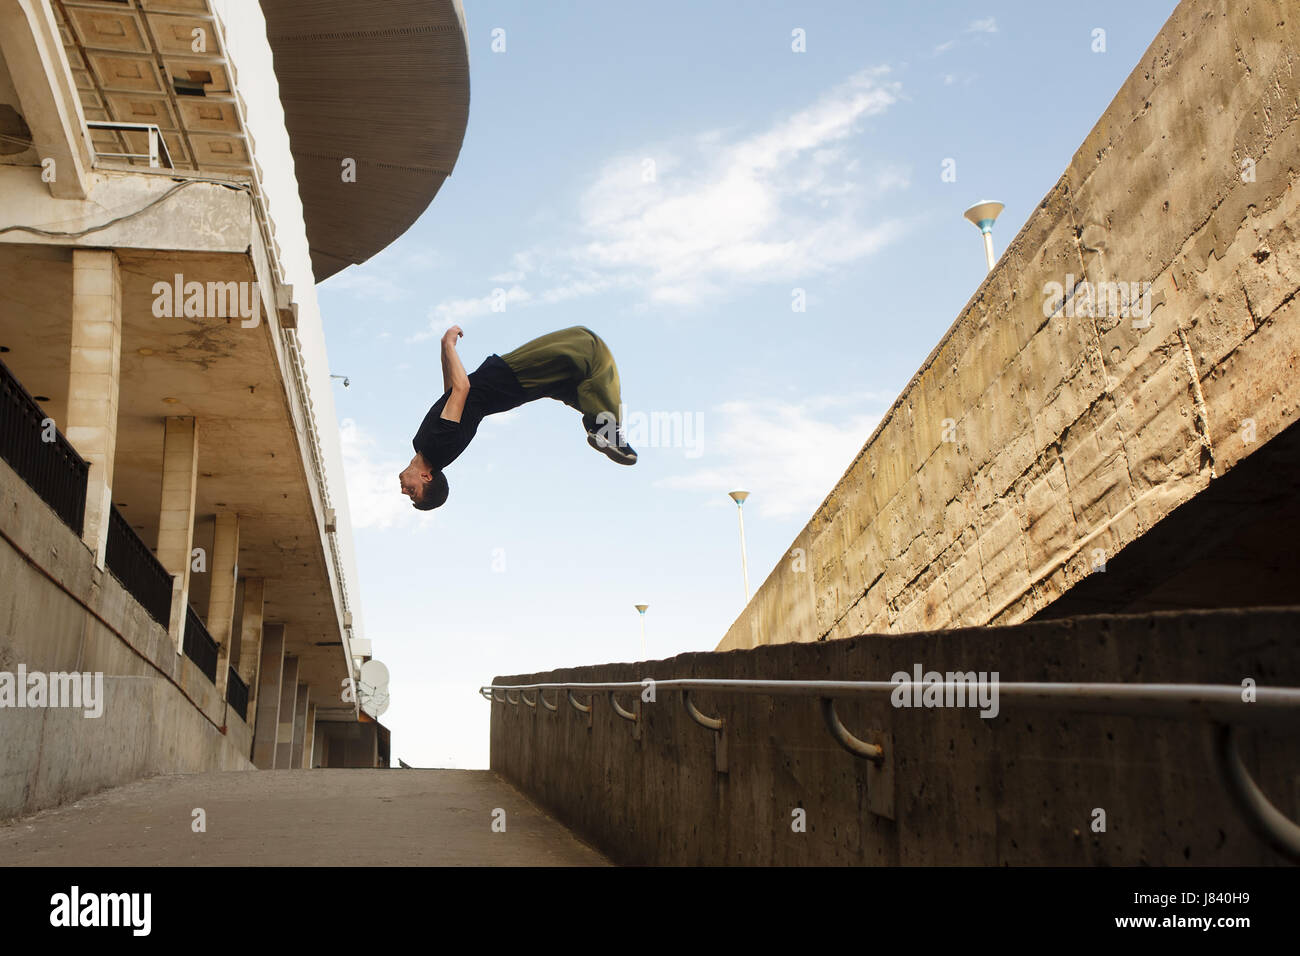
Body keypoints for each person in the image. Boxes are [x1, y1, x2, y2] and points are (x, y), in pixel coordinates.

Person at [399, 325, 636, 510]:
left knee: (580, 378)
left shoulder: (425, 445)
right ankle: (605, 430)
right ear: (426, 477)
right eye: (413, 492)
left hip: (511, 385)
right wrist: (449, 345)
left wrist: (444, 351)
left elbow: (450, 395)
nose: (403, 491)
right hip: (510, 378)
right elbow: (462, 388)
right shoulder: (437, 448)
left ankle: (602, 427)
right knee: (587, 345)